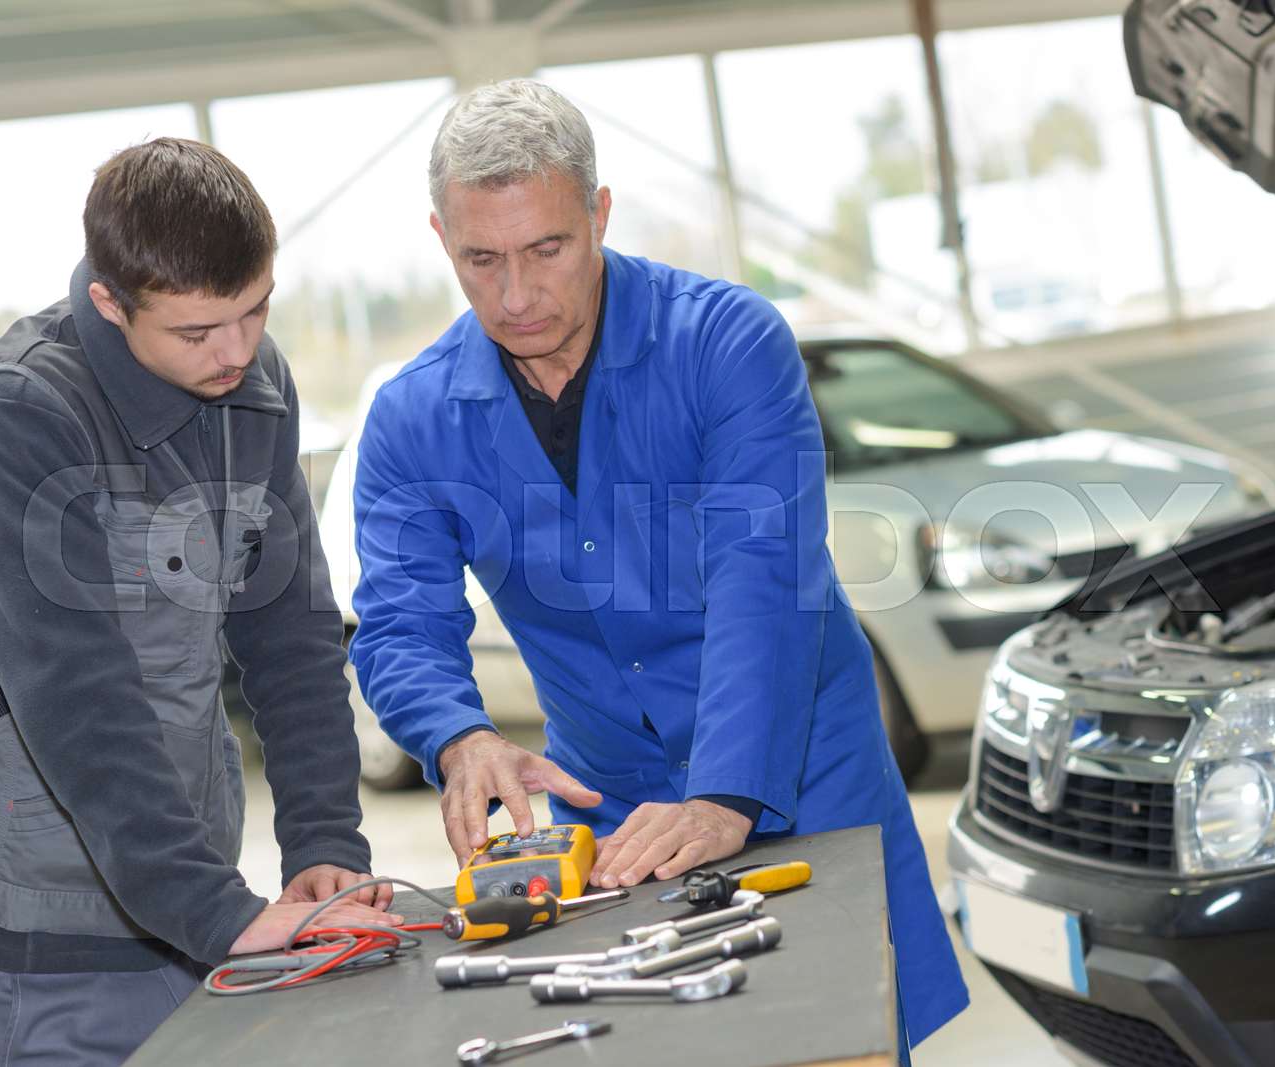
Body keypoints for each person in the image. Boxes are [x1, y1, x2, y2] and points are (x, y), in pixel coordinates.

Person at [348, 80, 967, 1053]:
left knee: (834, 1039)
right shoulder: (412, 417)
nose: (515, 295)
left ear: (598, 212)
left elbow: (764, 580)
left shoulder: (727, 342)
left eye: (546, 249)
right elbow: (398, 620)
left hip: (799, 771)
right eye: (481, 259)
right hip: (615, 803)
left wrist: (726, 792)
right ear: (440, 237)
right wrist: (457, 734)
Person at [0, 137, 398, 1065]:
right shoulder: (13, 418)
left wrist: (324, 836)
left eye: (256, 310)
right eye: (198, 332)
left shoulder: (254, 383)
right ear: (110, 302)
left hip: (184, 889)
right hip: (33, 927)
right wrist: (214, 911)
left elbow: (291, 631)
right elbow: (79, 700)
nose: (238, 350)